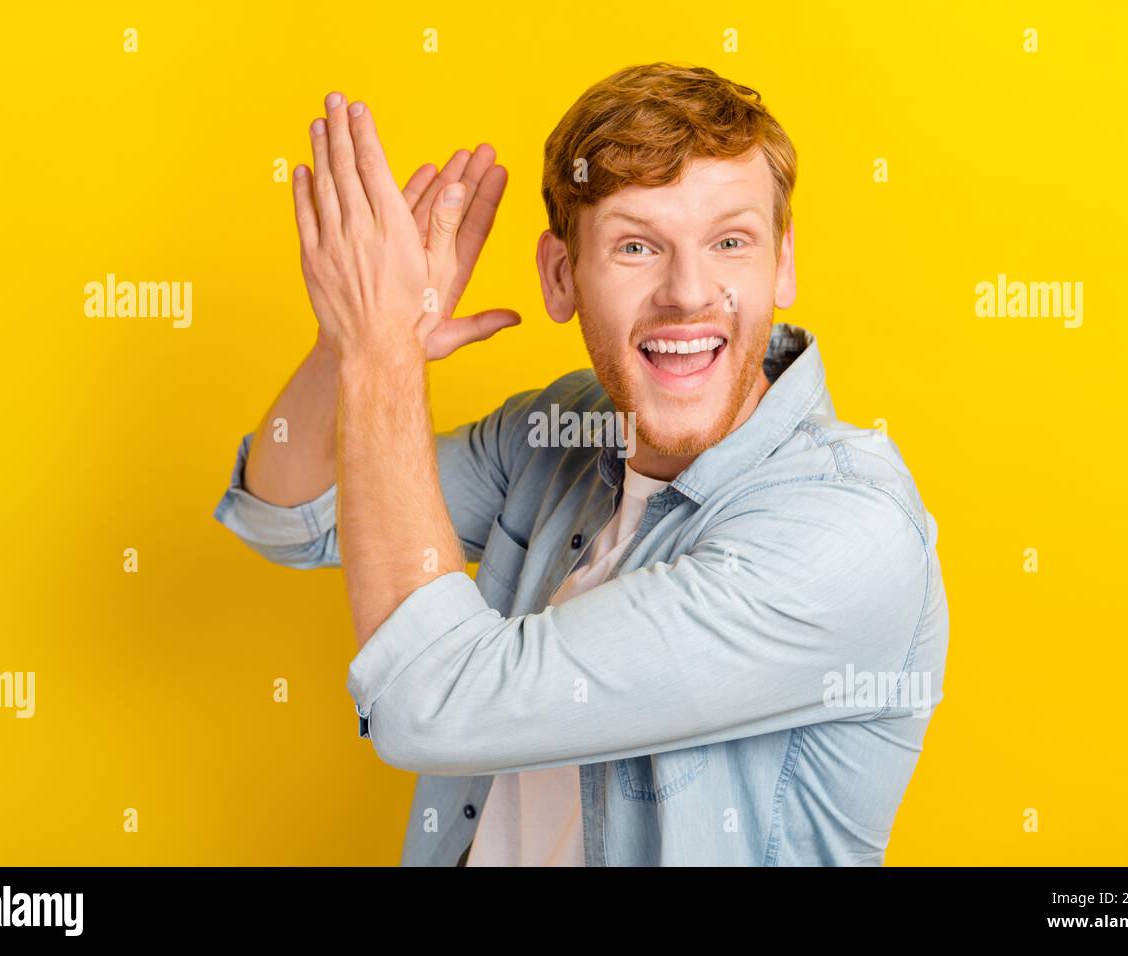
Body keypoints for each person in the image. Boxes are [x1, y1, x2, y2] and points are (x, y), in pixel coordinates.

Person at [214, 62, 949, 866]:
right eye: (636, 246)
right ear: (562, 275)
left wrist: (383, 355)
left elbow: (429, 705)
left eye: (730, 242)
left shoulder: (847, 533)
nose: (688, 292)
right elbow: (287, 513)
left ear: (780, 265)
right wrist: (348, 342)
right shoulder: (560, 433)